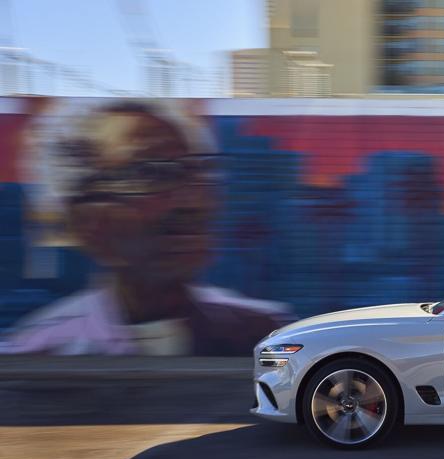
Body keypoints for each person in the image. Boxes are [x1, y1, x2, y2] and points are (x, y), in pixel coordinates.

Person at [3, 99, 291, 355]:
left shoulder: (264, 332)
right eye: (150, 174)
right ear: (84, 220)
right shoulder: (41, 356)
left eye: (196, 170)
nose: (192, 202)